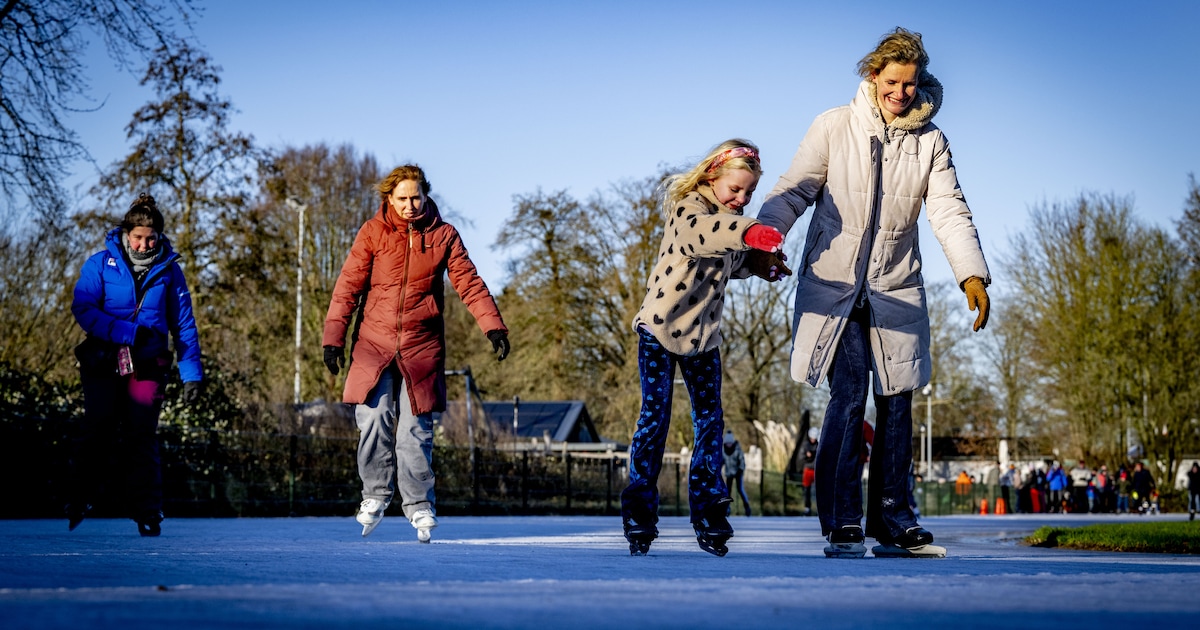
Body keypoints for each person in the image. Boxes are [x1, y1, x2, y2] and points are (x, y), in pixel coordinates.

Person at [757, 27, 991, 558]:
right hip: (834, 287)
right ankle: (842, 519)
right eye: (892, 81)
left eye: (910, 83)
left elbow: (949, 209)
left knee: (898, 401)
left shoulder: (931, 141)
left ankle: (893, 521)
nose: (901, 92)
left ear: (920, 83)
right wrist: (764, 240)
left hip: (895, 289)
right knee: (847, 397)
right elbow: (793, 189)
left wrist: (971, 273)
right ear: (872, 76)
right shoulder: (834, 127)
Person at [322, 164, 509, 542]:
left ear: (426, 195)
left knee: (415, 430)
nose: (410, 205)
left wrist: (493, 325)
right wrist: (333, 338)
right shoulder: (372, 233)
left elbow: (469, 283)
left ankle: (419, 503)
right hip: (373, 346)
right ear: (389, 199)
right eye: (402, 199)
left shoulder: (443, 235)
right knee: (374, 419)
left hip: (421, 349)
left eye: (416, 197)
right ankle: (374, 495)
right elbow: (348, 287)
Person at [620, 139, 789, 557]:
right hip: (659, 330)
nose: (741, 198)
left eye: (749, 193)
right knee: (655, 417)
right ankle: (640, 511)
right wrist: (750, 231)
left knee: (710, 422)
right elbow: (703, 237)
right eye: (735, 189)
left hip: (702, 338)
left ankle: (710, 510)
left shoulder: (728, 219)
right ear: (712, 176)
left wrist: (760, 263)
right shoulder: (689, 211)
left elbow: (731, 261)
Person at [67, 192, 203, 536]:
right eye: (137, 238)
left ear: (159, 236)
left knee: (141, 434)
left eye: (150, 238)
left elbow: (184, 324)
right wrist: (127, 332)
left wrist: (192, 374)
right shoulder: (99, 264)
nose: (143, 245)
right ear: (126, 234)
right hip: (103, 359)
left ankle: (147, 509)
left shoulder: (171, 272)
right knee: (98, 426)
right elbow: (84, 309)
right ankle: (79, 496)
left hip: (149, 363)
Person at [722, 430, 751, 517]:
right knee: (728, 491)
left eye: (730, 443)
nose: (729, 445)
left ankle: (747, 507)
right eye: (727, 443)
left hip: (738, 472)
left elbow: (742, 461)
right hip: (729, 473)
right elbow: (722, 461)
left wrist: (740, 470)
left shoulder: (737, 450)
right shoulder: (723, 451)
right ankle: (727, 508)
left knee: (740, 489)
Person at [802, 427, 818, 515]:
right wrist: (806, 455)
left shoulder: (819, 445)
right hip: (808, 469)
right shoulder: (806, 445)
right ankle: (807, 507)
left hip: (816, 470)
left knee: (818, 490)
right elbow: (802, 457)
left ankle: (819, 507)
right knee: (806, 489)